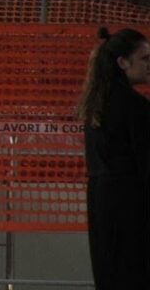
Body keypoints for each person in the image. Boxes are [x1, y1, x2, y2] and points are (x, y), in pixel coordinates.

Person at [77, 27, 150, 289]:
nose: (149, 65)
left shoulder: (94, 105)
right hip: (131, 204)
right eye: (144, 59)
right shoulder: (136, 108)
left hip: (100, 201)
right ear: (122, 62)